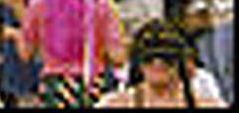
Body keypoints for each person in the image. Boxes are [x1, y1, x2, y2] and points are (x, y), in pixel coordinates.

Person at [16, 0, 126, 107]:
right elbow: (118, 56)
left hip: (55, 87)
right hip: (92, 85)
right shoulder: (101, 4)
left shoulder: (40, 2)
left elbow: (25, 52)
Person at [95, 18, 226, 107]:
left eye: (166, 59)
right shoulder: (114, 104)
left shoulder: (208, 104)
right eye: (149, 59)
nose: (157, 63)